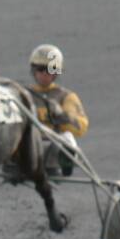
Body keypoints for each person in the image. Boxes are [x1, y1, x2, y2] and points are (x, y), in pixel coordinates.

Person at [27, 44, 88, 176]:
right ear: (34, 70)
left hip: (53, 145)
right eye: (41, 69)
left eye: (50, 69)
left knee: (68, 137)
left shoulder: (66, 97)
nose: (44, 73)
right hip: (30, 144)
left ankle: (64, 162)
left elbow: (81, 126)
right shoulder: (24, 95)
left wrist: (62, 115)